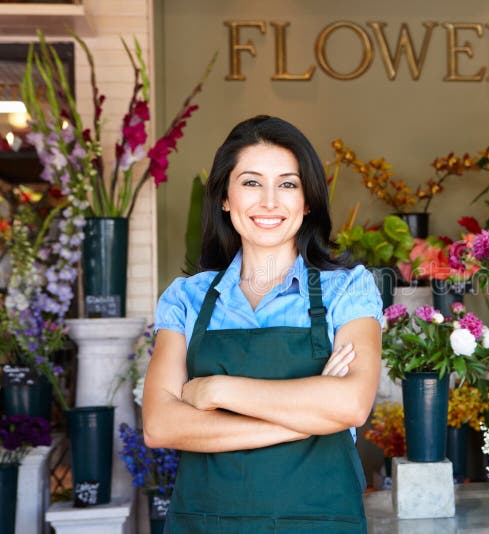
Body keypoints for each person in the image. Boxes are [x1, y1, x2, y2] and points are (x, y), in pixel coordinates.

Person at [143, 115, 383, 533]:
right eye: (251, 182)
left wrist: (215, 389)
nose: (269, 201)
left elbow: (351, 405)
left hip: (319, 524)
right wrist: (306, 419)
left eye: (288, 184)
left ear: (307, 201)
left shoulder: (348, 290)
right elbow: (160, 425)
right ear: (224, 197)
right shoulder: (187, 297)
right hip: (206, 524)